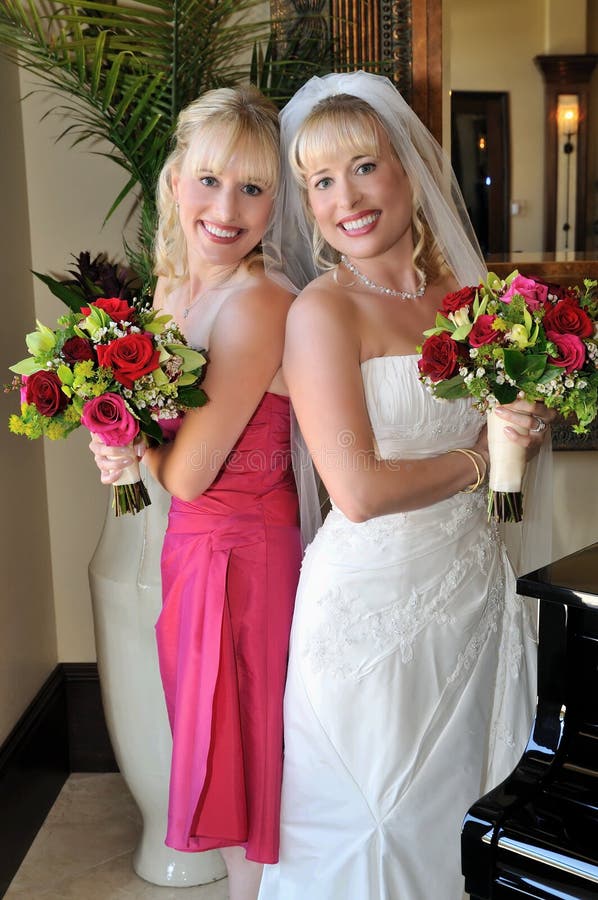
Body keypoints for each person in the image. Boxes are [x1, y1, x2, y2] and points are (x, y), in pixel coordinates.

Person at [258, 71, 554, 900]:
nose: (344, 197)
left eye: (362, 167)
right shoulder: (323, 313)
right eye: (319, 181)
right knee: (373, 822)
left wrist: (521, 431)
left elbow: (505, 428)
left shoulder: (466, 302)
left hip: (472, 589)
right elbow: (354, 490)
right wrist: (476, 462)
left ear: (407, 171)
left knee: (469, 797)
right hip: (371, 611)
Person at [90, 86, 302, 900]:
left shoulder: (256, 305)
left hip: (245, 558)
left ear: (275, 203)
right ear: (176, 179)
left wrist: (136, 442)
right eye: (210, 180)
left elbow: (184, 471)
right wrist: (114, 438)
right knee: (218, 757)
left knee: (248, 760)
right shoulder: (172, 291)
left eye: (253, 188)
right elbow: (156, 449)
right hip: (195, 550)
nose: (226, 207)